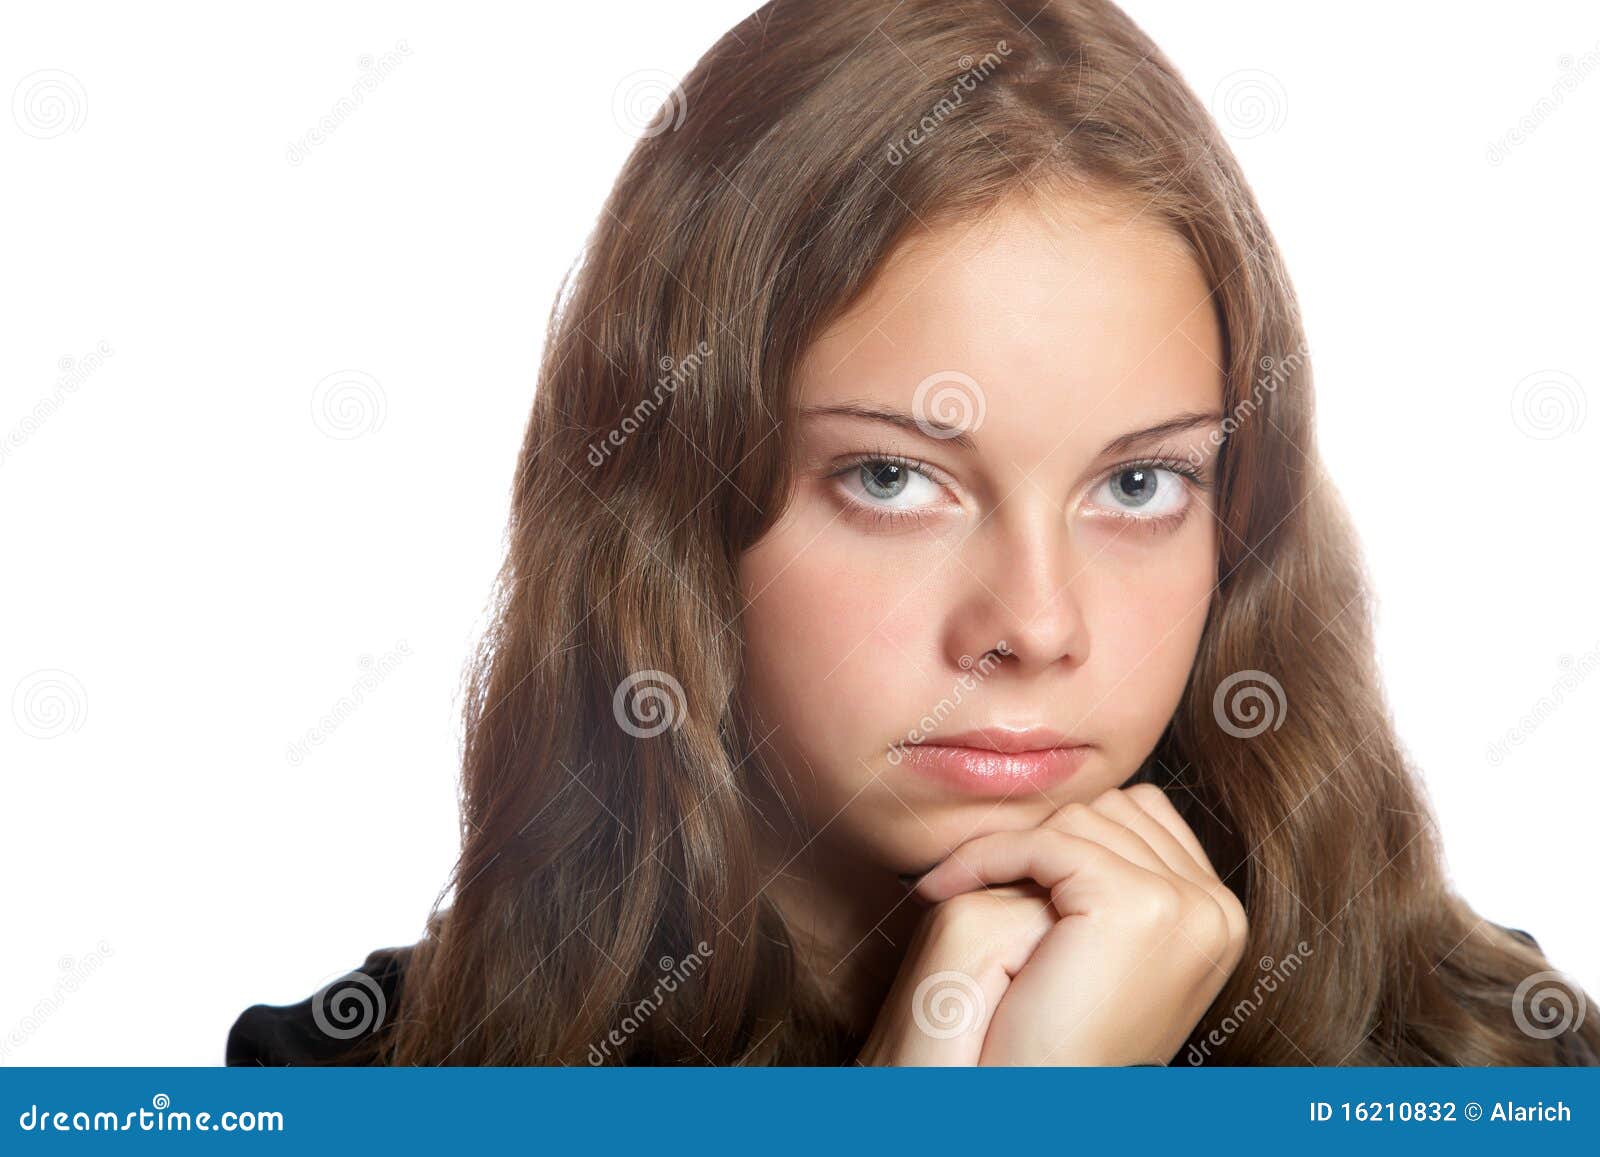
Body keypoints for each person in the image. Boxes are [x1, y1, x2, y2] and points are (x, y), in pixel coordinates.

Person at [228, 0, 1599, 1066]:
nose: (1038, 624)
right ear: (672, 507)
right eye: (895, 478)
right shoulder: (343, 1083)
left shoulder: (1497, 1062)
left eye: (1139, 486)